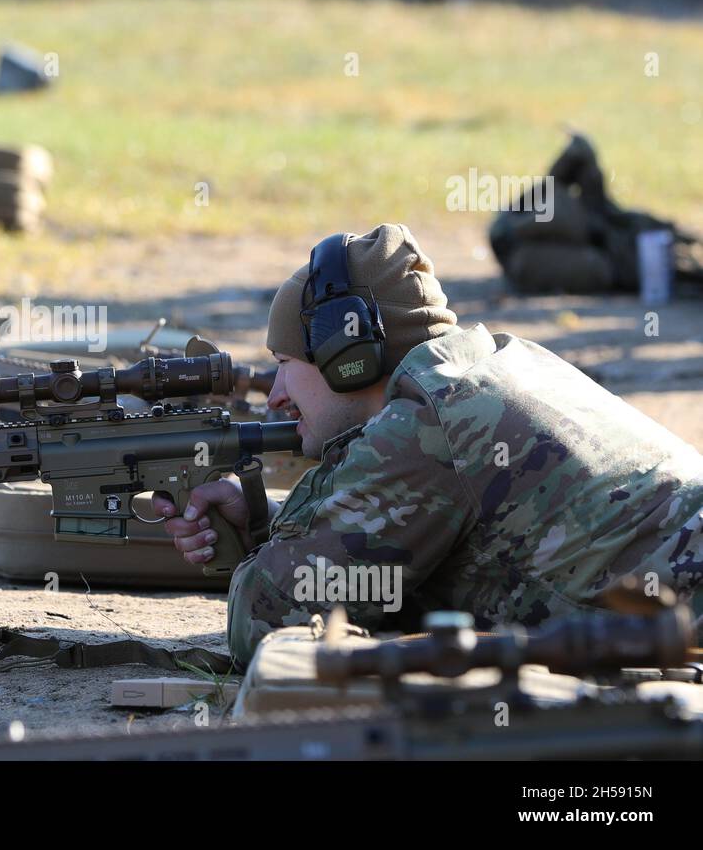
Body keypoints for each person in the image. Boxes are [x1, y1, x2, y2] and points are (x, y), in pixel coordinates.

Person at [156, 224, 703, 667]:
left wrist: (278, 537)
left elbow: (267, 620)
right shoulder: (500, 361)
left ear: (347, 355)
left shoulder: (427, 424)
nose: (275, 397)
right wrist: (263, 515)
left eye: (284, 366)